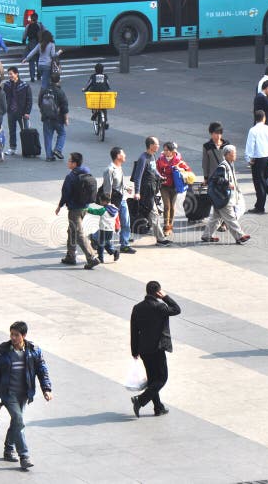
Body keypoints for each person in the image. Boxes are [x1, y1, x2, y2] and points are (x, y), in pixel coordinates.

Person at [0, 321, 53, 470]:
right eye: (11, 334)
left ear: (24, 336)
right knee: (19, 420)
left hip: (24, 394)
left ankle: (8, 448)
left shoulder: (33, 351)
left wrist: (47, 389)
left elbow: (42, 370)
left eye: (16, 335)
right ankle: (24, 456)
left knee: (16, 421)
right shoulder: (1, 352)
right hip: (8, 393)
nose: (12, 337)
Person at [130, 281, 181, 418]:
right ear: (158, 292)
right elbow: (177, 309)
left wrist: (134, 350)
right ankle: (140, 400)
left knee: (153, 379)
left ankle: (158, 407)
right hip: (157, 348)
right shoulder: (160, 307)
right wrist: (165, 297)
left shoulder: (137, 308)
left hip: (144, 349)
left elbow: (134, 331)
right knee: (162, 378)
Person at [56, 152, 100, 269]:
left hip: (75, 209)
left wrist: (60, 205)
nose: (68, 162)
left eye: (69, 161)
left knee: (78, 233)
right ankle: (70, 256)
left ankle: (91, 258)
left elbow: (65, 193)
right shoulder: (86, 171)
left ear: (74, 164)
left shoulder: (71, 177)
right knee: (72, 231)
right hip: (85, 207)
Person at [202, 145, 249, 244]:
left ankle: (207, 235)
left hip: (223, 198)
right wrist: (227, 183)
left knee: (216, 217)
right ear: (227, 155)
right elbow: (216, 178)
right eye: (234, 153)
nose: (235, 155)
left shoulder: (230, 164)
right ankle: (240, 236)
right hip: (223, 197)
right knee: (230, 217)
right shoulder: (223, 166)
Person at [92, 147, 135, 254]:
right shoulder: (109, 170)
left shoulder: (119, 167)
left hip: (122, 198)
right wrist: (109, 204)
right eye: (123, 153)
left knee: (126, 221)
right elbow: (108, 188)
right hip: (113, 201)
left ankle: (124, 244)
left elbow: (119, 183)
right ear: (118, 156)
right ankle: (95, 236)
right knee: (109, 224)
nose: (125, 155)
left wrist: (126, 188)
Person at [132, 137, 170, 246]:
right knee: (154, 214)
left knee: (149, 213)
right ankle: (160, 239)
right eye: (157, 144)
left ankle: (132, 233)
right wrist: (137, 191)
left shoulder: (152, 156)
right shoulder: (143, 158)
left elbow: (153, 170)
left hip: (152, 189)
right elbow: (137, 176)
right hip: (145, 191)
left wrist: (160, 176)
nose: (158, 146)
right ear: (151, 145)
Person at [245, 110, 268, 214]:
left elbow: (250, 145)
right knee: (264, 179)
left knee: (259, 182)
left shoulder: (253, 130)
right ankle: (260, 205)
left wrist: (248, 158)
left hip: (258, 158)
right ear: (264, 118)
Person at [155, 142, 190, 234]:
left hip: (175, 186)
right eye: (164, 150)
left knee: (172, 207)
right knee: (167, 206)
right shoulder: (160, 159)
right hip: (164, 186)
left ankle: (170, 226)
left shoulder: (179, 160)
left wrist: (180, 169)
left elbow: (188, 171)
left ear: (172, 151)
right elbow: (156, 170)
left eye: (167, 150)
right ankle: (166, 227)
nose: (165, 152)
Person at [38, 73, 69, 161]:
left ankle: (49, 156)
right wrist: (66, 118)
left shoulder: (44, 90)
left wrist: (43, 112)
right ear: (59, 80)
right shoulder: (60, 91)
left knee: (48, 137)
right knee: (62, 133)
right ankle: (58, 149)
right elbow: (65, 106)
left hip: (46, 117)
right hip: (58, 118)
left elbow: (40, 103)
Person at [3, 67, 32, 155]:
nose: (10, 76)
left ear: (17, 74)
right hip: (11, 111)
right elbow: (3, 96)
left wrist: (27, 112)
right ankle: (12, 148)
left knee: (25, 131)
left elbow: (29, 99)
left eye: (11, 74)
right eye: (9, 74)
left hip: (22, 113)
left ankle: (27, 149)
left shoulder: (25, 85)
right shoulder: (7, 85)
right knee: (12, 131)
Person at [86, 193, 119, 263]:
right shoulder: (115, 209)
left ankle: (101, 258)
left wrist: (87, 209)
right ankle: (114, 252)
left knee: (100, 244)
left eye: (101, 201)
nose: (100, 202)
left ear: (104, 201)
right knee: (106, 243)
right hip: (110, 230)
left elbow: (95, 211)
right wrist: (117, 226)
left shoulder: (103, 210)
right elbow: (117, 219)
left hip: (103, 229)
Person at [21, 13, 43, 81]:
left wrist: (23, 41)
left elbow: (24, 35)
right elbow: (44, 32)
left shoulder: (28, 26)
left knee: (31, 61)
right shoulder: (40, 25)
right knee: (38, 60)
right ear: (37, 18)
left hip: (30, 44)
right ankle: (39, 75)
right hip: (38, 43)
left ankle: (32, 77)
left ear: (31, 18)